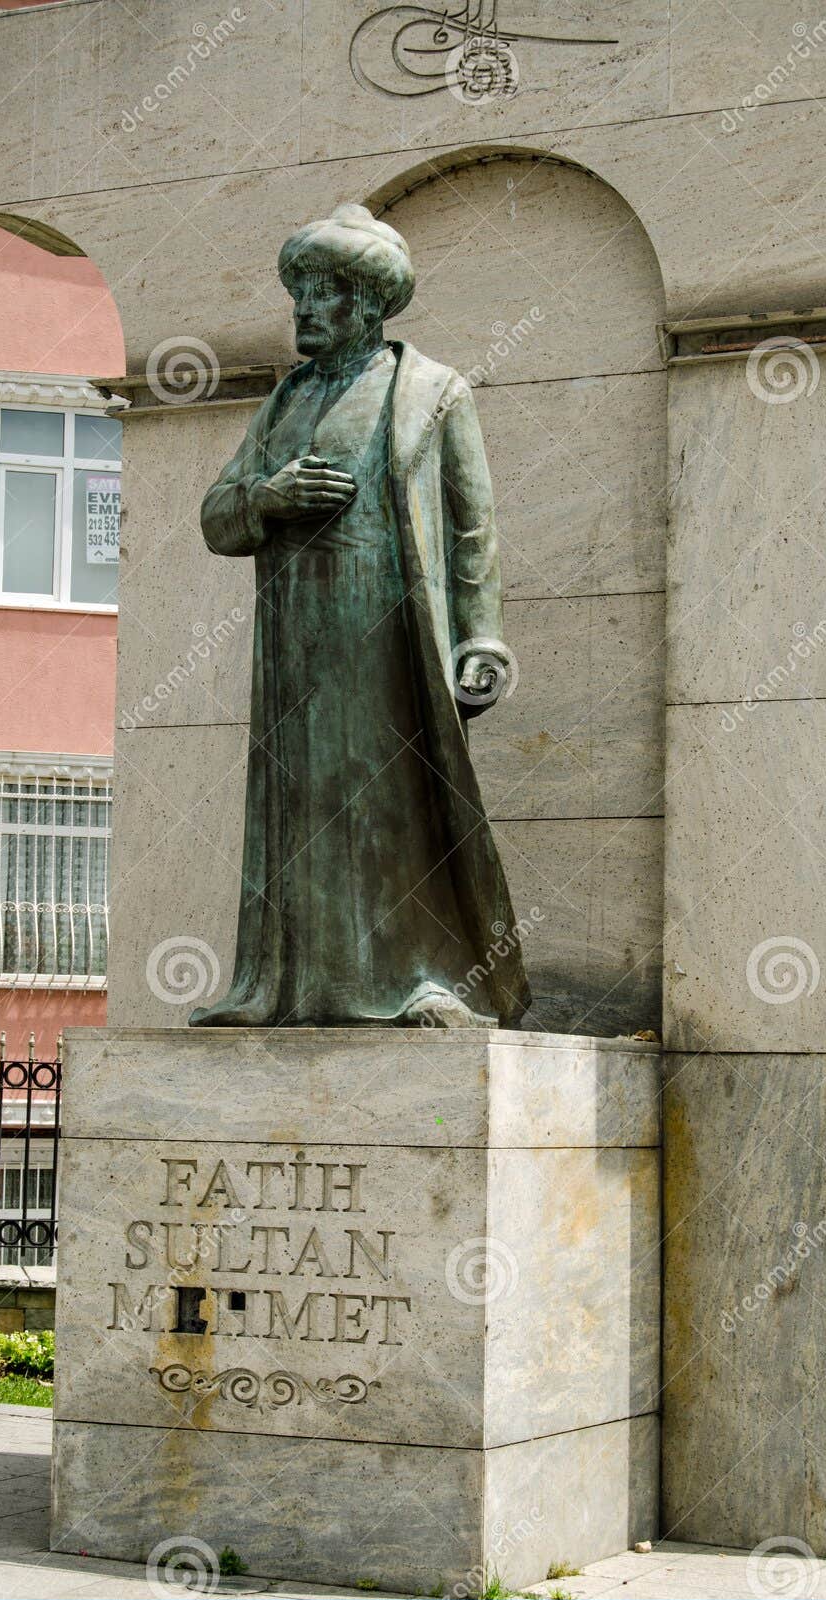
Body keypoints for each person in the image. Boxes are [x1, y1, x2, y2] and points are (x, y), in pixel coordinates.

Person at [190, 204, 530, 1029]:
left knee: (394, 805)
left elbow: (472, 523)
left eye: (322, 292)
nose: (303, 309)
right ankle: (286, 988)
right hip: (298, 642)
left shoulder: (434, 392)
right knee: (302, 808)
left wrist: (481, 632)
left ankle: (422, 975)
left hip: (393, 636)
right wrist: (266, 499)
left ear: (369, 303)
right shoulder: (285, 401)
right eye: (297, 292)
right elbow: (214, 515)